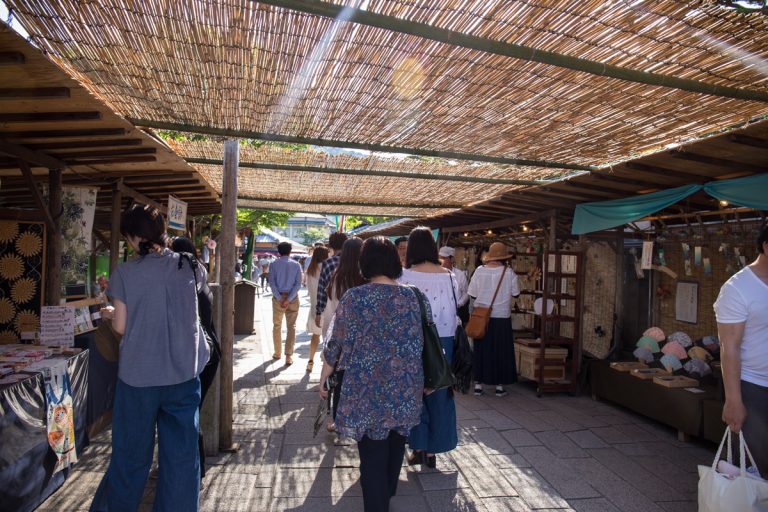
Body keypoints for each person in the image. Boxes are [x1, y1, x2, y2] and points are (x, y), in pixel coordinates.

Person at [90, 205, 209, 512]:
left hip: (138, 377)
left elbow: (120, 326)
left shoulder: (126, 273)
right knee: (182, 458)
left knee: (131, 456)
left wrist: (110, 314)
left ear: (133, 237)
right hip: (183, 373)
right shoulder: (190, 264)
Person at [319, 236, 425, 512]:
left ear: (364, 264)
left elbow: (337, 344)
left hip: (366, 389)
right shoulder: (414, 297)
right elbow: (421, 343)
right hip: (404, 385)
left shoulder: (355, 298)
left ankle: (378, 502)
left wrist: (324, 378)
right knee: (395, 442)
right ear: (395, 261)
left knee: (372, 454)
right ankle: (387, 492)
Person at [399, 228, 458, 469]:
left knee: (414, 393)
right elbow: (456, 306)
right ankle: (435, 449)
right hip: (444, 340)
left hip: (413, 340)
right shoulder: (449, 275)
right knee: (440, 392)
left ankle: (419, 446)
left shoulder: (404, 276)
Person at [714, 223, 768, 476]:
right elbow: (729, 347)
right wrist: (734, 400)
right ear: (766, 247)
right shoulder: (737, 288)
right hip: (753, 387)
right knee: (751, 469)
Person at [171, 236, 221, 480]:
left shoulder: (187, 278)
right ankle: (193, 469)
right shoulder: (198, 273)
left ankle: (193, 470)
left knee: (189, 414)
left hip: (199, 353)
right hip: (208, 351)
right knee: (191, 412)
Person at [322, 237, 366, 428]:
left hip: (338, 336)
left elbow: (331, 310)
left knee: (338, 379)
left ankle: (336, 419)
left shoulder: (336, 277)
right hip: (361, 338)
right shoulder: (365, 279)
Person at [467, 241, 520, 397]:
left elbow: (473, 294)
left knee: (481, 350)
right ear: (504, 257)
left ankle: (478, 384)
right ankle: (499, 386)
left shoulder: (479, 271)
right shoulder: (509, 273)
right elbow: (516, 293)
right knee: (501, 351)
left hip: (481, 316)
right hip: (501, 317)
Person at [268, 242, 302, 366]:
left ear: (279, 252)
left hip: (278, 297)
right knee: (291, 326)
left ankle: (277, 352)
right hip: (292, 297)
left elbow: (272, 283)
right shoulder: (297, 264)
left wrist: (279, 298)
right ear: (290, 251)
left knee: (277, 325)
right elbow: (298, 284)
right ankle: (288, 356)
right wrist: (289, 298)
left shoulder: (273, 264)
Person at [315, 232, 348, 330]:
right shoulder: (358, 262)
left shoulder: (328, 263)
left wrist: (318, 312)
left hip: (333, 307)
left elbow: (322, 289)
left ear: (331, 245)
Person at [304, 246, 330, 373]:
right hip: (327, 306)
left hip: (314, 307)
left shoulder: (311, 269)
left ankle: (310, 360)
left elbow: (308, 289)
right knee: (328, 337)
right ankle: (325, 364)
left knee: (315, 336)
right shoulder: (328, 267)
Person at [439, 245, 470, 325]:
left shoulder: (460, 275)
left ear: (451, 259)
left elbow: (466, 292)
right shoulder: (435, 274)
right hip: (440, 311)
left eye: (444, 258)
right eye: (439, 257)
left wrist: (460, 303)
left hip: (457, 311)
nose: (440, 260)